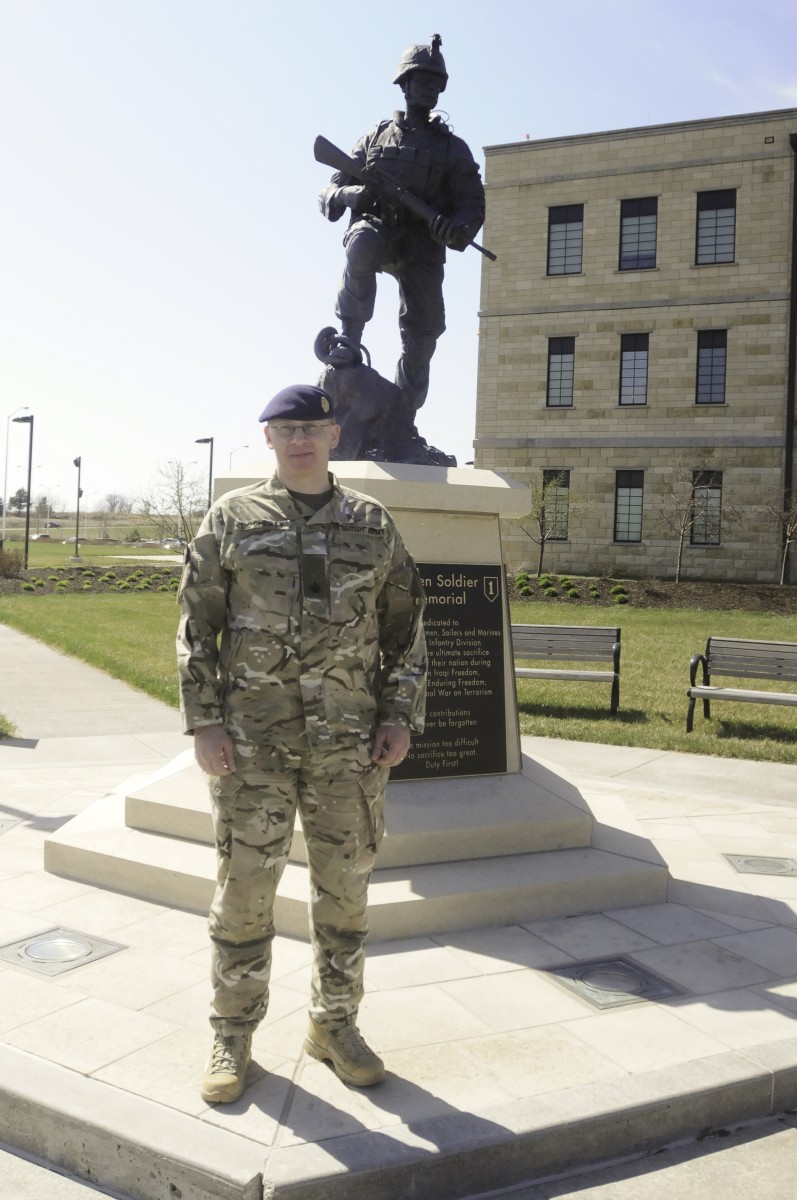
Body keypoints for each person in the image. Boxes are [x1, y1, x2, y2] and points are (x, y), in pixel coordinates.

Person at [176, 384, 427, 1105]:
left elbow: (406, 628)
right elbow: (197, 627)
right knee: (245, 892)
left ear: (335, 434)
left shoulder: (371, 524)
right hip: (251, 746)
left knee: (344, 893)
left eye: (311, 428)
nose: (299, 441)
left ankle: (334, 1025)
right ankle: (233, 1033)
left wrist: (399, 716)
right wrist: (206, 722)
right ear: (267, 440)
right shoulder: (232, 520)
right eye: (286, 429)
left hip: (348, 750)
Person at [319, 34, 485, 419]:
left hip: (422, 244)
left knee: (424, 330)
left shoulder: (453, 148)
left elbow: (472, 204)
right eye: (421, 81)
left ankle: (403, 412)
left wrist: (456, 228)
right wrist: (351, 196)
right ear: (405, 85)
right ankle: (349, 341)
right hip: (379, 227)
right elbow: (330, 189)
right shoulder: (374, 137)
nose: (429, 89)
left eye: (435, 84)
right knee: (360, 242)